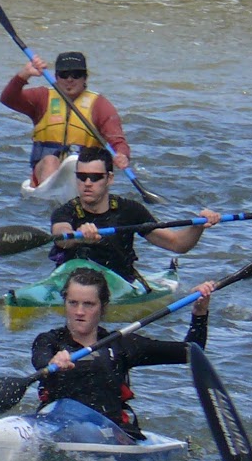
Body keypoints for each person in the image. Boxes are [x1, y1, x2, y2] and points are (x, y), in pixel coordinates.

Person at [32, 266, 215, 439]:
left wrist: (199, 313)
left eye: (88, 304)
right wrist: (53, 363)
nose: (79, 311)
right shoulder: (49, 341)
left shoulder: (121, 344)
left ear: (103, 307)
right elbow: (40, 359)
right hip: (57, 425)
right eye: (73, 303)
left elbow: (190, 352)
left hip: (109, 431)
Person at [49, 147, 222, 284]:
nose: (87, 183)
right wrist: (78, 237)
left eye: (95, 177)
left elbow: (177, 244)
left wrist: (198, 227)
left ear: (109, 179)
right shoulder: (65, 211)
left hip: (118, 284)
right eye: (81, 177)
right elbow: (60, 236)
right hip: (71, 285)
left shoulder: (130, 210)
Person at [0, 51, 130, 187]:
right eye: (64, 74)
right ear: (56, 77)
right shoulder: (41, 98)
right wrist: (24, 74)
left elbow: (117, 140)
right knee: (50, 160)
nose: (70, 80)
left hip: (83, 173)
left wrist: (122, 155)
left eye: (76, 75)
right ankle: (50, 196)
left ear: (85, 78)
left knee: (77, 164)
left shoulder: (100, 105)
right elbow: (7, 99)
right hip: (46, 170)